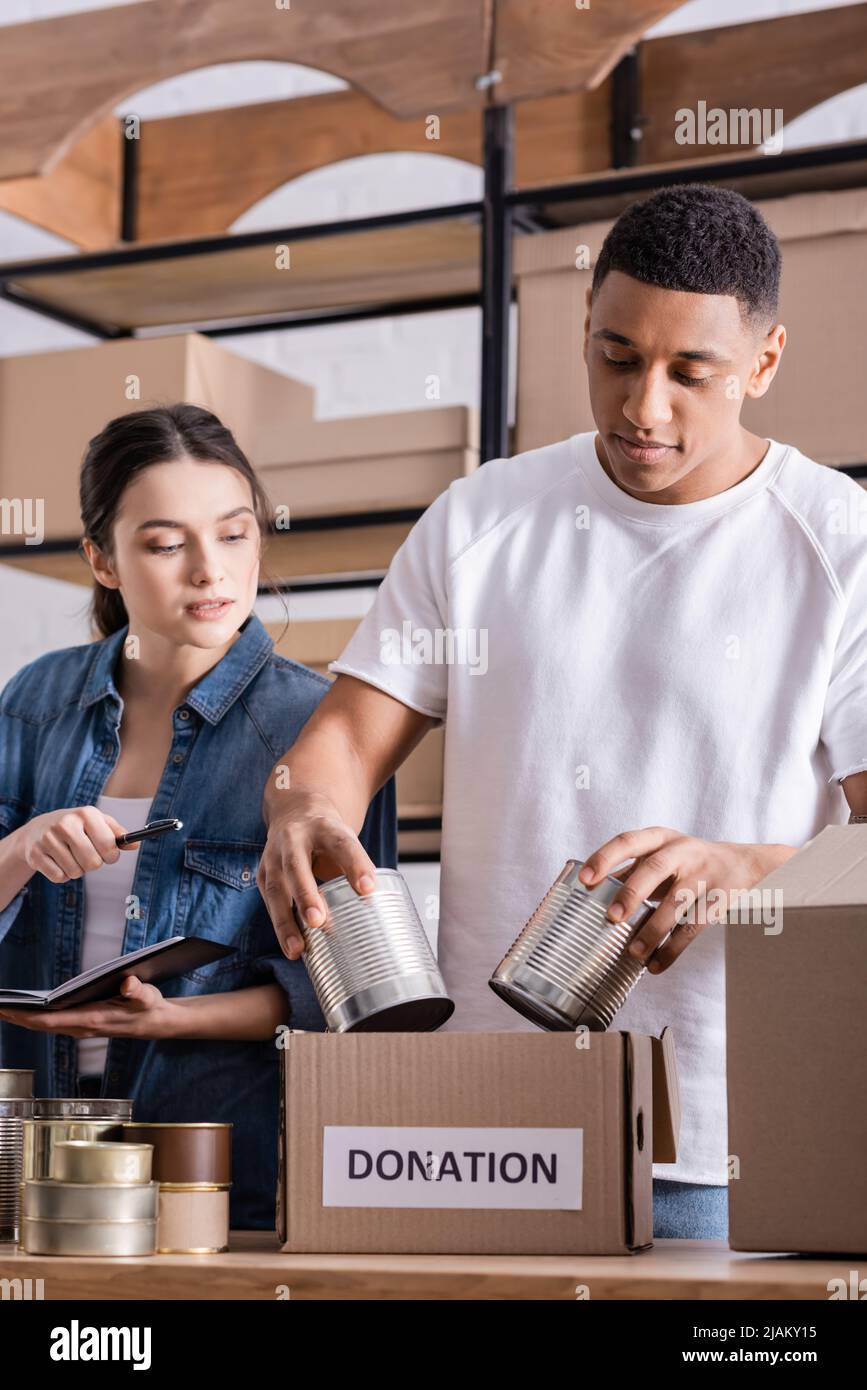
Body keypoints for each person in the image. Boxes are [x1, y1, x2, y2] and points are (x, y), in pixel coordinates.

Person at [256, 184, 867, 1241]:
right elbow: (349, 737)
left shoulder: (838, 544)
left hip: (721, 1142)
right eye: (617, 357)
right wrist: (303, 806)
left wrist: (741, 868)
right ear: (584, 323)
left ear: (764, 363)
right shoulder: (482, 518)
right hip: (483, 1124)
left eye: (692, 373)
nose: (645, 408)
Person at [0, 403, 397, 1230]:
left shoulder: (319, 730)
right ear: (102, 560)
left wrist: (173, 1018)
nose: (210, 571)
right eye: (166, 544)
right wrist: (22, 848)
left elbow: (348, 993)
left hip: (213, 1163)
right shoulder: (37, 700)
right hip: (31, 1155)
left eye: (234, 534)